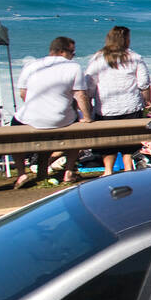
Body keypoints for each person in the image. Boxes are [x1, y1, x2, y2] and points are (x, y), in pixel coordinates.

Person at [11, 36, 92, 188]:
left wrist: (38, 107)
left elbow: (23, 93)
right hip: (61, 120)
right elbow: (80, 95)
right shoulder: (73, 67)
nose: (73, 56)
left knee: (13, 131)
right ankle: (68, 171)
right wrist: (87, 117)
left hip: (30, 118)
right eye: (72, 52)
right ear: (62, 51)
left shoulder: (32, 65)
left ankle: (21, 173)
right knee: (77, 131)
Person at [85, 26, 151, 175]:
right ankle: (128, 168)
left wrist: (88, 106)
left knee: (108, 141)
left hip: (105, 107)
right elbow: (144, 84)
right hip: (131, 105)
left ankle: (108, 170)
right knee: (130, 140)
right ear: (126, 39)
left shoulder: (97, 58)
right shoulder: (135, 57)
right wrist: (148, 103)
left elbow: (89, 84)